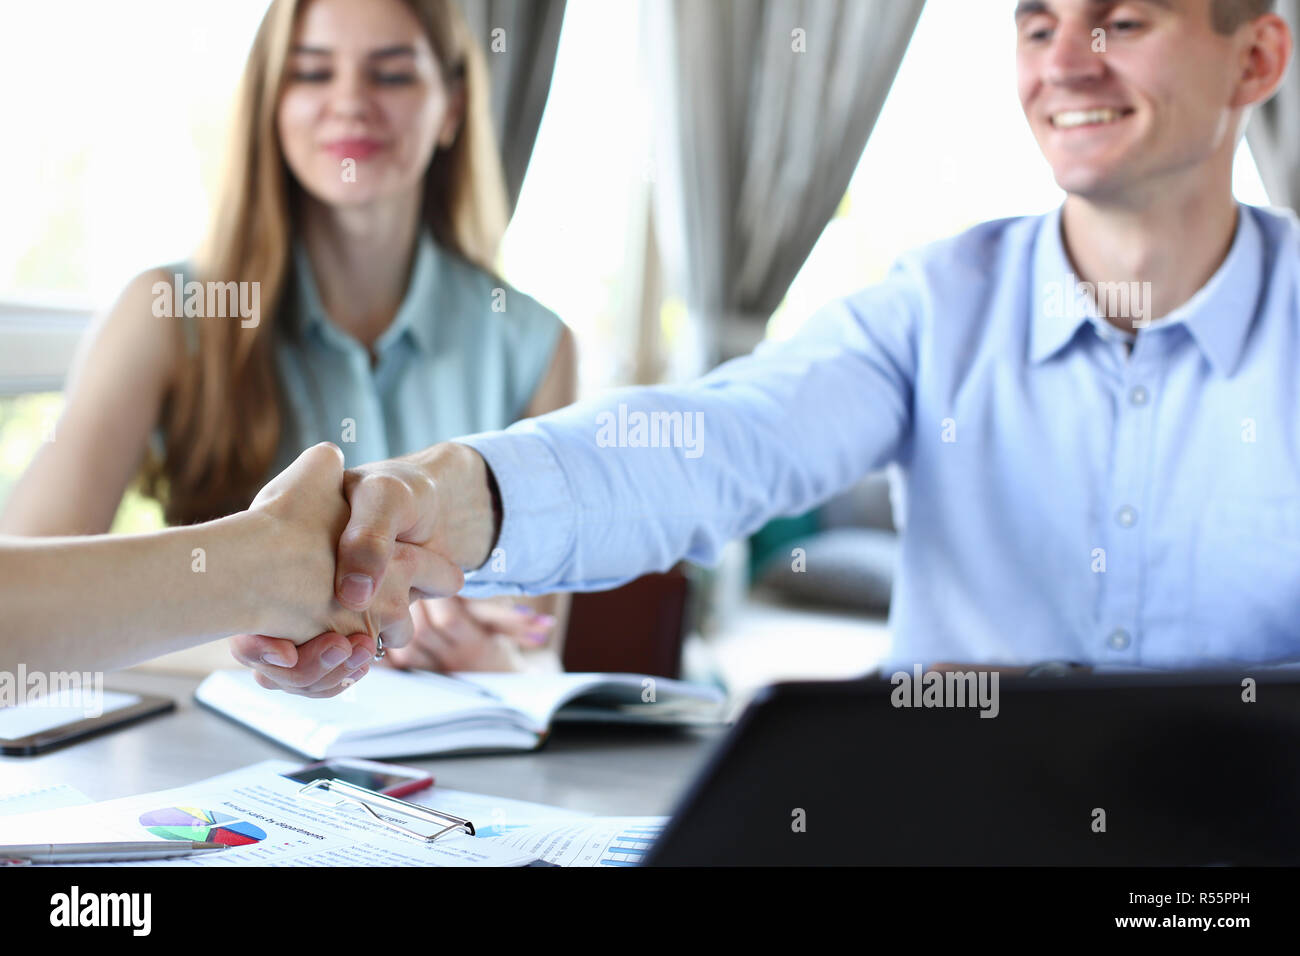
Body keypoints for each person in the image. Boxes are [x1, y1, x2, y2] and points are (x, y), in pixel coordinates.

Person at [246, 0, 1299, 697]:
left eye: (1119, 20)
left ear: (1254, 57)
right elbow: (719, 436)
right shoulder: (936, 304)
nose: (1064, 63)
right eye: (1034, 26)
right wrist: (456, 497)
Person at [0, 0, 574, 685]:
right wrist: (270, 638)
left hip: (444, 777)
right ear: (271, 100)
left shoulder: (536, 346)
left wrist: (503, 662)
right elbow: (26, 612)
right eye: (311, 73)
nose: (350, 102)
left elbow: (536, 646)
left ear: (451, 107)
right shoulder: (166, 313)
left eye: (391, 76)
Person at [0, 443, 461, 680]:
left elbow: (40, 607)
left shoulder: (522, 336)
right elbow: (33, 612)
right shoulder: (172, 306)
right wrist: (264, 567)